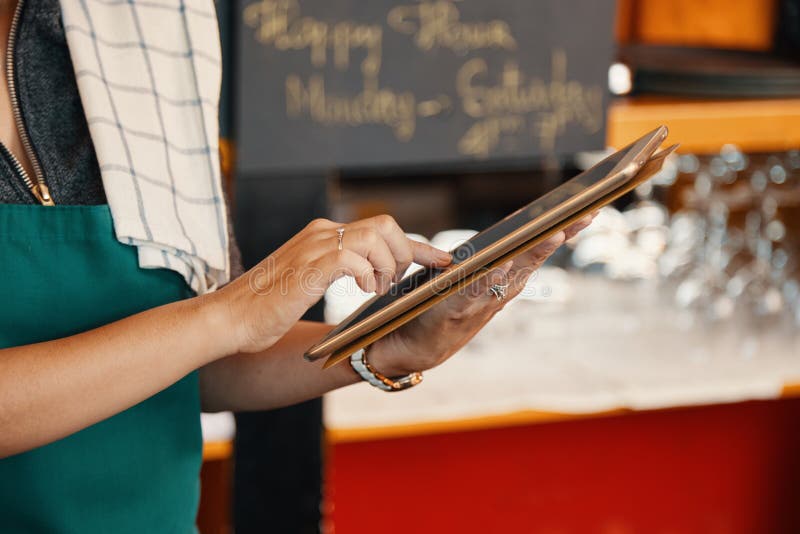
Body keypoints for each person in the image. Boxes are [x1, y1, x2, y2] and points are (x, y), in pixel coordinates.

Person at [0, 0, 594, 532]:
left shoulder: (157, 24)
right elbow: (213, 328)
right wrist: (227, 314)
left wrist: (381, 343)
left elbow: (191, 368)